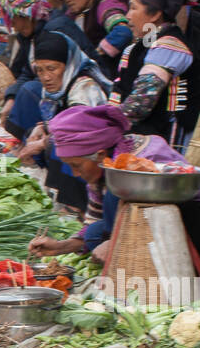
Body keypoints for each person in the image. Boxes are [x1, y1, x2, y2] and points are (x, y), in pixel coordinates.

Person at [29, 103, 187, 259]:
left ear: (100, 154)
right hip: (137, 225)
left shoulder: (143, 163)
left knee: (114, 194)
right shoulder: (105, 164)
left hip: (181, 228)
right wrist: (62, 246)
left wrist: (116, 244)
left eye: (76, 166)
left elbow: (161, 221)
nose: (75, 173)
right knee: (93, 234)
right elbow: (95, 220)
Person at [15, 31, 110, 209]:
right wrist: (43, 127)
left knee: (60, 147)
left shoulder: (84, 88)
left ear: (68, 66)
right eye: (40, 70)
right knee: (35, 134)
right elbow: (64, 121)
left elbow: (77, 134)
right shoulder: (56, 91)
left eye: (52, 69)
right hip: (78, 145)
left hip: (95, 157)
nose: (45, 77)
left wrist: (43, 143)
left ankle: (76, 206)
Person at [109, 0, 196, 148]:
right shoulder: (140, 46)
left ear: (155, 14)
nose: (128, 15)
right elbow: (119, 92)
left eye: (134, 8)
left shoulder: (170, 45)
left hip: (166, 142)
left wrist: (106, 128)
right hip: (139, 135)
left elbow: (142, 100)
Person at [0, 0, 94, 132]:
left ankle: (36, 144)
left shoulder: (55, 30)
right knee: (25, 91)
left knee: (30, 90)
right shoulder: (30, 36)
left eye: (12, 18)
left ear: (25, 15)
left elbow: (70, 73)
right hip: (59, 93)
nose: (12, 24)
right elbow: (27, 72)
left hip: (81, 94)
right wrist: (11, 98)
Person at [47, 0, 132, 78]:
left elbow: (122, 32)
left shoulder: (104, 5)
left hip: (105, 72)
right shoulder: (74, 13)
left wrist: (95, 54)